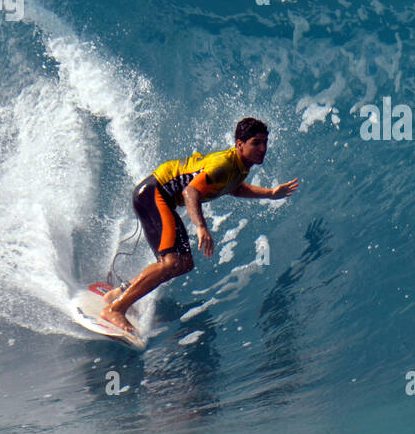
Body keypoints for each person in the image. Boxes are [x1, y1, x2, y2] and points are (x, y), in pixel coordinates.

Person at [99, 117, 299, 336]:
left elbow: (233, 188)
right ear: (240, 144)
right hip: (153, 194)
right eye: (255, 143)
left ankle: (119, 294)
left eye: (264, 142)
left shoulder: (240, 167)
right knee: (169, 262)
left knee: (183, 263)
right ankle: (115, 309)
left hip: (162, 198)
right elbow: (190, 191)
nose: (263, 148)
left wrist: (270, 194)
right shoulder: (224, 164)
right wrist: (201, 227)